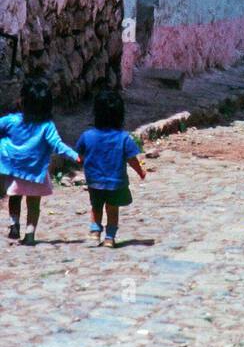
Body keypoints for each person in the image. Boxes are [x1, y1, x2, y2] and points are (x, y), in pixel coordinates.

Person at [0, 76, 81, 246]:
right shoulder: (47, 126)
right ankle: (30, 234)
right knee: (33, 204)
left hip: (14, 170)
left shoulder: (10, 121)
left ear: (22, 101)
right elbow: (58, 145)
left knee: (14, 198)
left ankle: (14, 224)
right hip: (36, 173)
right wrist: (75, 155)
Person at [77, 88, 146, 248]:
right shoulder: (123, 138)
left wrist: (82, 163)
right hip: (116, 183)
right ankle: (109, 237)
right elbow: (132, 160)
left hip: (94, 182)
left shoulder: (87, 136)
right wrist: (141, 172)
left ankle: (95, 231)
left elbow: (80, 156)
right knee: (112, 209)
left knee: (96, 206)